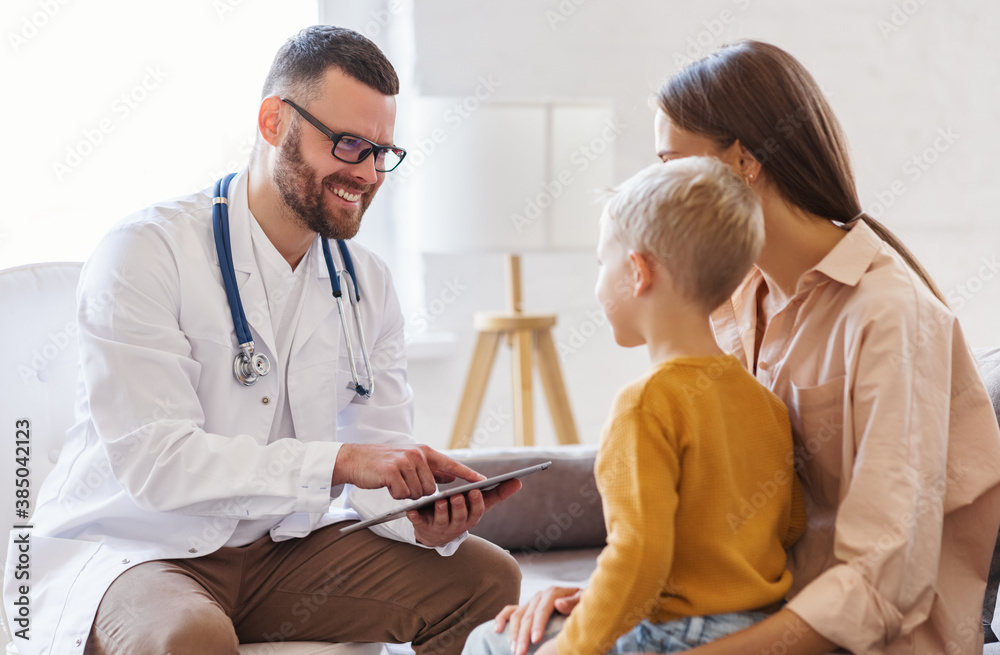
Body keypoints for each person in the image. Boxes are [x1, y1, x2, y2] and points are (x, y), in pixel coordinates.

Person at [3, 26, 521, 655]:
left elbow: (373, 464)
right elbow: (158, 465)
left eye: (383, 151)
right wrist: (338, 461)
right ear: (275, 121)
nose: (366, 173)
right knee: (189, 634)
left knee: (486, 577)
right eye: (349, 144)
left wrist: (425, 515)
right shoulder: (145, 252)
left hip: (280, 554)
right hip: (139, 552)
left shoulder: (367, 283)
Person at [485, 39, 1000, 655]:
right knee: (505, 636)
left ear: (742, 161)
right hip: (746, 617)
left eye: (669, 161)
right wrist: (600, 600)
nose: (653, 185)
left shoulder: (891, 317)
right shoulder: (730, 302)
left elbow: (880, 589)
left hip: (860, 643)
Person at [464, 158, 808, 655]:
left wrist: (571, 648)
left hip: (675, 634)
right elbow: (790, 523)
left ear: (637, 272)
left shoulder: (645, 404)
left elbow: (638, 557)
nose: (599, 283)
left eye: (602, 263)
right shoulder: (765, 403)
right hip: (756, 627)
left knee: (488, 642)